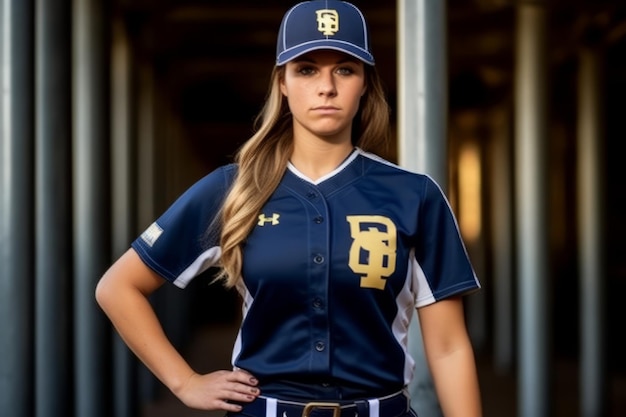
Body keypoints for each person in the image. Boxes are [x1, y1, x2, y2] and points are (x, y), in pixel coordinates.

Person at [95, 1, 483, 416]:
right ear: (282, 82)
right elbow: (117, 287)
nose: (327, 87)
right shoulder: (235, 188)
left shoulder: (414, 196)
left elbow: (447, 347)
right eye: (307, 69)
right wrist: (185, 381)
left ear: (366, 82)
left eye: (345, 69)